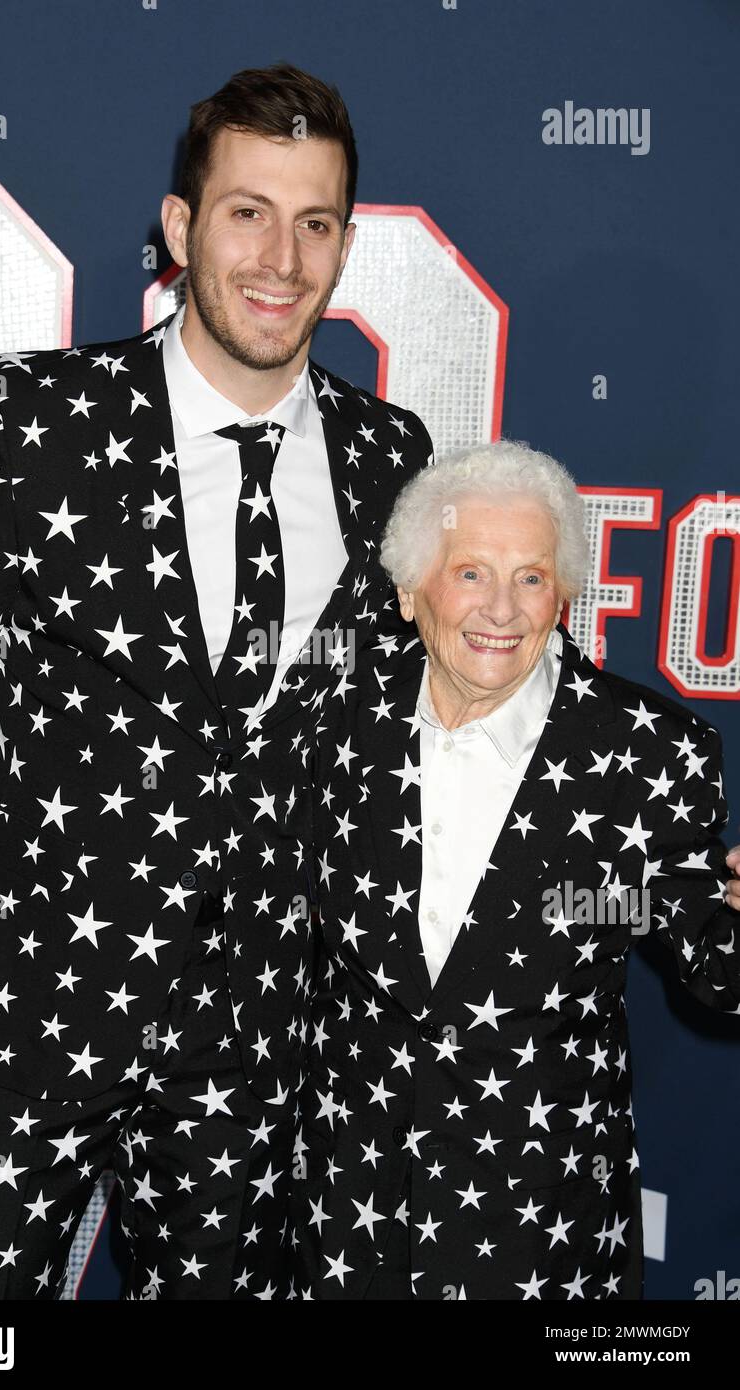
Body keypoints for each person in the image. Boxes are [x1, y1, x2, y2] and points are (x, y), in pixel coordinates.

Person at [0, 63, 433, 1300]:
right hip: (22, 1004)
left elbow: (440, 707)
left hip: (256, 1032)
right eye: (247, 212)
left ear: (345, 245)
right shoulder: (25, 418)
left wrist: (644, 854)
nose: (280, 257)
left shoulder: (392, 459)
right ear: (179, 230)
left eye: (316, 221)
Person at [290, 440, 740, 1300]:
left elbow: (716, 970)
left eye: (531, 577)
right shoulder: (334, 715)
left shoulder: (647, 752)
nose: (501, 608)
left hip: (539, 1228)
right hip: (342, 1220)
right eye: (470, 572)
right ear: (409, 588)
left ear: (564, 592)